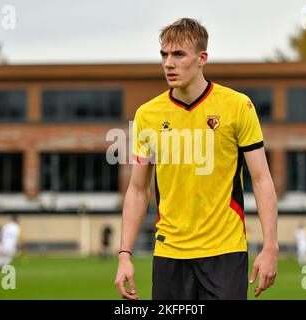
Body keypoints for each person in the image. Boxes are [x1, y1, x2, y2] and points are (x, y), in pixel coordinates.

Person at [115, 18, 278, 300]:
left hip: (224, 253)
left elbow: (262, 180)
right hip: (169, 254)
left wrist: (270, 247)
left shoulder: (238, 106)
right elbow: (138, 190)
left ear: (202, 58)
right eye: (164, 55)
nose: (169, 63)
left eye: (178, 55)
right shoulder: (146, 115)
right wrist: (124, 254)